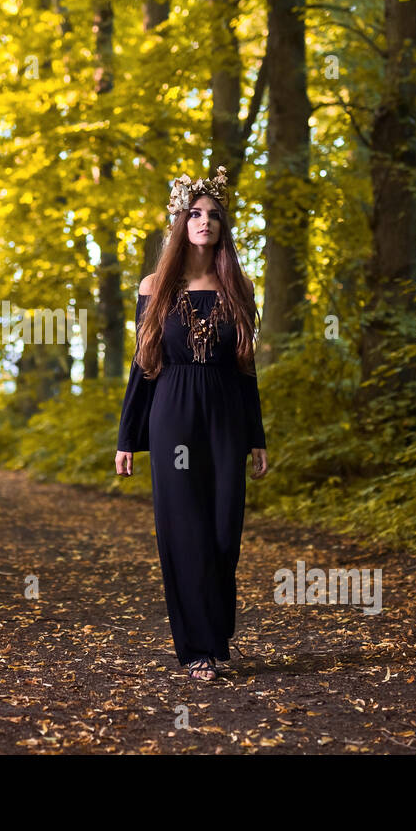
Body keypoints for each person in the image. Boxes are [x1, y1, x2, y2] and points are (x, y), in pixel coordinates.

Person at [114, 166, 269, 681]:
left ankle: (216, 632)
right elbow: (143, 364)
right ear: (181, 223)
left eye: (213, 216)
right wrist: (128, 437)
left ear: (223, 227)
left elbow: (246, 369)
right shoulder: (155, 287)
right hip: (172, 412)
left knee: (225, 530)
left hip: (225, 413)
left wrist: (256, 435)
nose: (204, 222)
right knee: (185, 532)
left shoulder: (238, 287)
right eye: (195, 214)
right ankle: (198, 649)